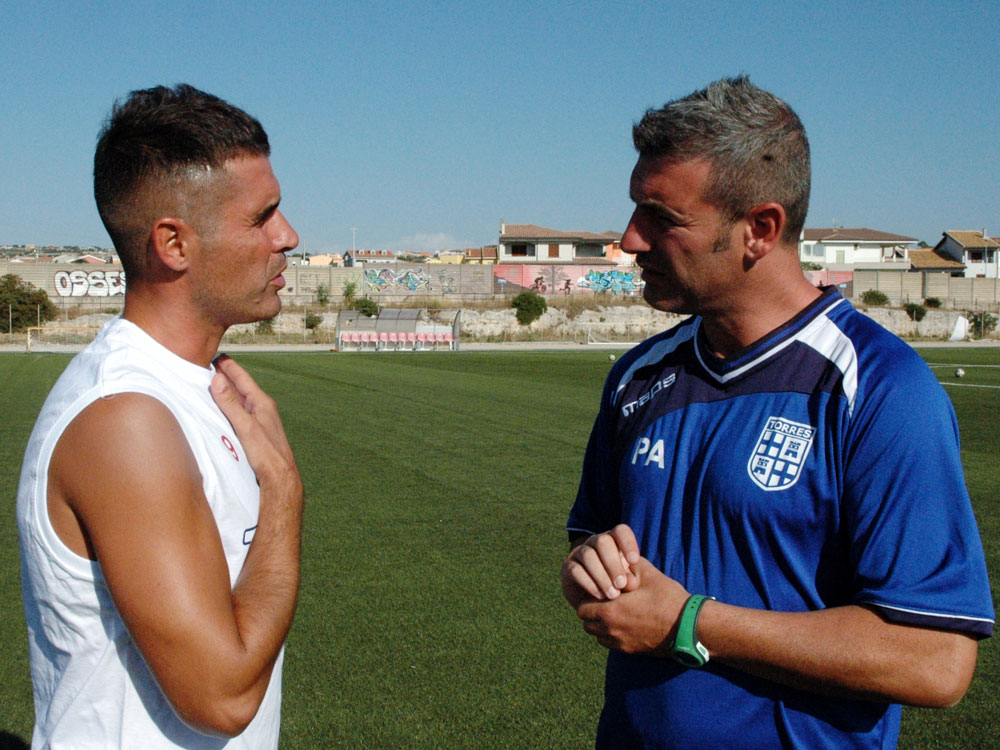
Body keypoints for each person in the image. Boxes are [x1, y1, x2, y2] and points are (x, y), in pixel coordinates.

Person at [560, 76, 994, 749]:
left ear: (759, 229)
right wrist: (590, 563)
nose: (629, 240)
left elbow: (936, 661)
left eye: (661, 217)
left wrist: (689, 622)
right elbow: (592, 537)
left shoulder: (879, 389)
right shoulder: (639, 377)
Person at [17, 84, 303, 749]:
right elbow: (222, 697)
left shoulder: (198, 387)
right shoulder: (126, 420)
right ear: (173, 244)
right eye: (263, 216)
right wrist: (284, 491)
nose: (287, 236)